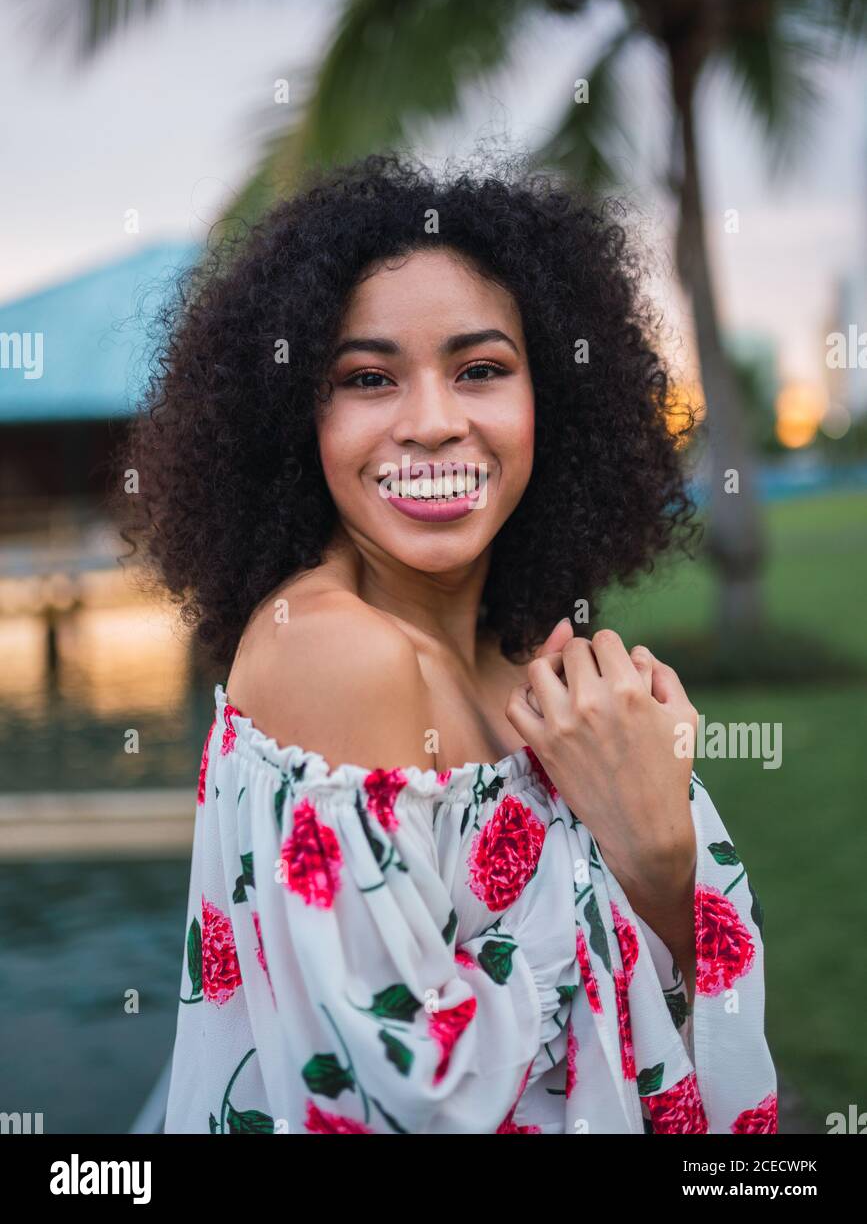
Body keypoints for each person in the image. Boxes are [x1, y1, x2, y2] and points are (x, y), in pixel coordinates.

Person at [125, 152, 777, 1134]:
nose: (432, 423)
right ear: (297, 414)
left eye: (480, 369)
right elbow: (410, 1097)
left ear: (547, 398)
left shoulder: (532, 657)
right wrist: (646, 857)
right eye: (368, 377)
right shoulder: (333, 653)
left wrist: (661, 859)